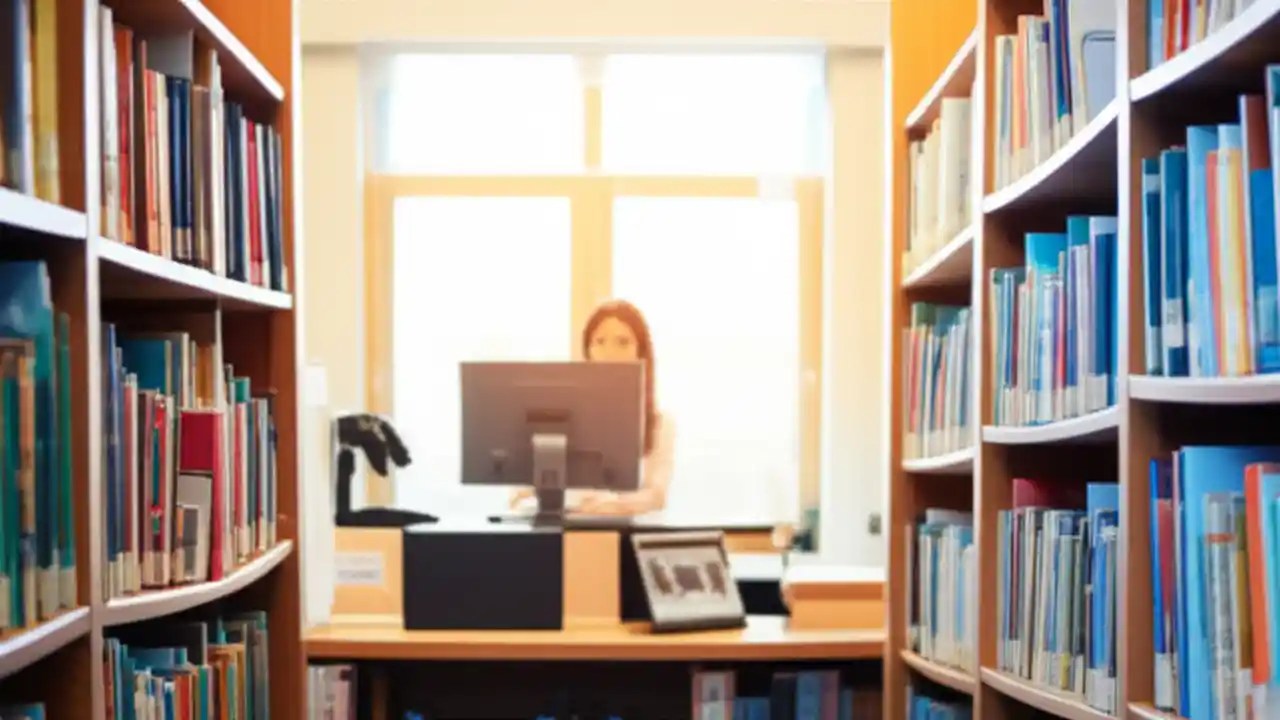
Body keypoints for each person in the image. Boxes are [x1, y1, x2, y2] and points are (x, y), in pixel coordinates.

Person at [510, 299, 675, 516]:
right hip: (570, 532)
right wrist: (532, 491)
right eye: (600, 341)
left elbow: (657, 495)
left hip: (627, 533)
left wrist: (616, 506)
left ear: (641, 353)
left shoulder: (659, 424)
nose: (610, 351)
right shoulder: (563, 415)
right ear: (588, 352)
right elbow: (536, 483)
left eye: (623, 342)